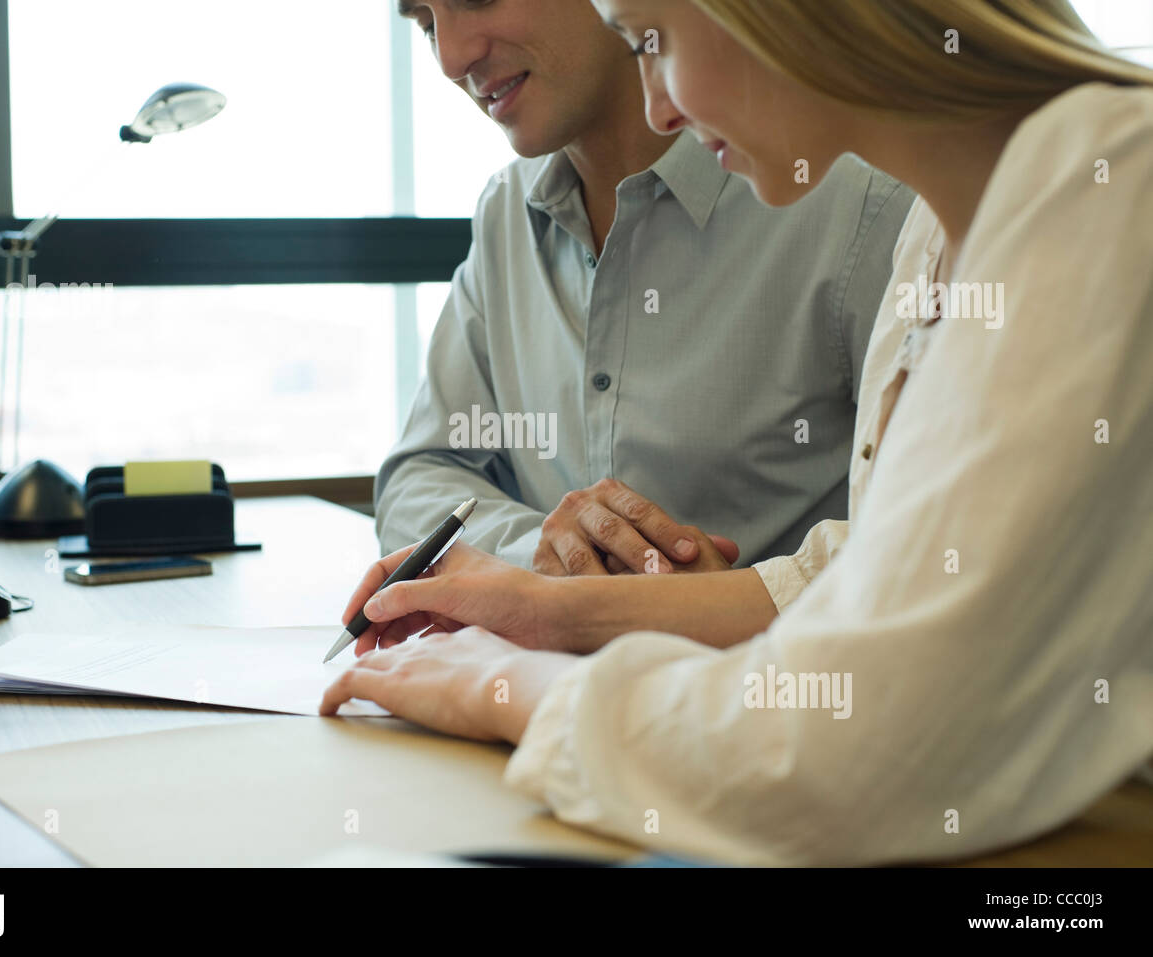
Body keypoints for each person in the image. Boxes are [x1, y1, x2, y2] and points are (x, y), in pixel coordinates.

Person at [323, 0, 1153, 865]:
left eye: (658, 41)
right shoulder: (940, 233)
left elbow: (866, 746)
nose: (658, 109)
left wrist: (522, 690)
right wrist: (552, 609)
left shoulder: (1106, 186)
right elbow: (880, 563)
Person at [382, 0, 913, 579]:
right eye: (427, 24)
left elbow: (933, 534)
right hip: (547, 669)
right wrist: (548, 550)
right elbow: (421, 476)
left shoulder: (867, 206)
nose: (451, 58)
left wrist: (716, 604)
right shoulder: (506, 212)